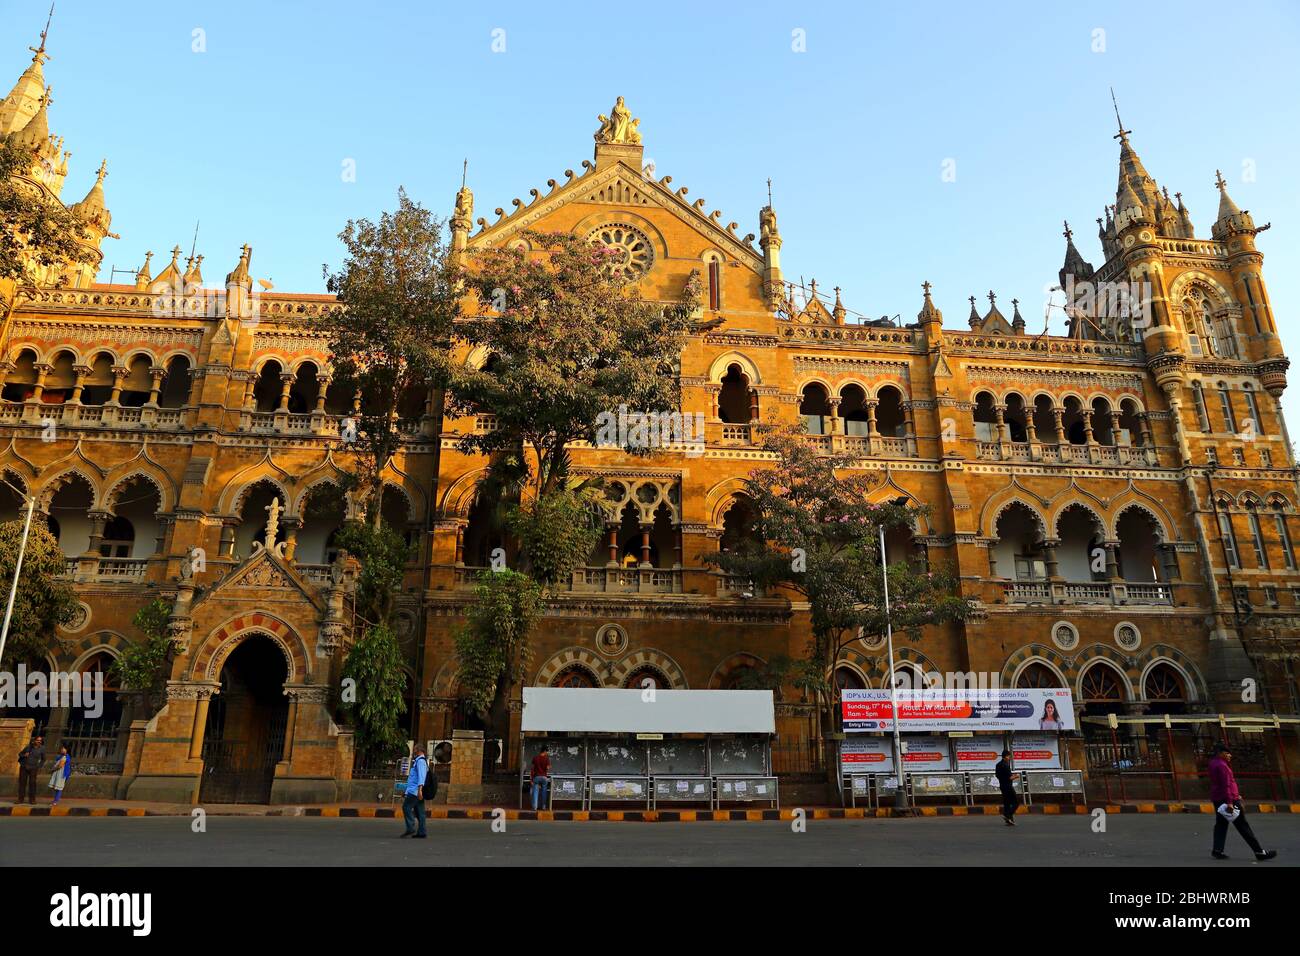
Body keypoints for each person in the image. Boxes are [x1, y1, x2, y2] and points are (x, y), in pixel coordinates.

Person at [1207, 742, 1276, 861]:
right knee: (1243, 826)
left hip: (1218, 798)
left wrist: (1235, 794)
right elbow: (1226, 785)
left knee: (1221, 825)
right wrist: (1230, 801)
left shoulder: (1213, 764)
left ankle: (1217, 850)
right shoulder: (1223, 766)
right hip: (1228, 800)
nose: (1230, 755)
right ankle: (1259, 852)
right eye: (1227, 753)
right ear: (1221, 753)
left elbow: (1221, 783)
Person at [400, 747, 429, 839]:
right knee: (420, 812)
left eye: (415, 750)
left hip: (415, 791)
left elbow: (421, 776)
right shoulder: (418, 761)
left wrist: (420, 790)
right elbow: (413, 779)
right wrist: (406, 792)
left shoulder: (420, 762)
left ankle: (410, 827)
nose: (413, 752)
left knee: (406, 807)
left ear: (420, 751)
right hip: (415, 790)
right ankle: (422, 831)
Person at [16, 735, 45, 805]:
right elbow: (20, 754)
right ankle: (20, 799)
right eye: (38, 740)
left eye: (40, 741)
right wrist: (24, 755)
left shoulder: (42, 748)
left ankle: (32, 800)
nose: (39, 742)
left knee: (32, 783)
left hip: (33, 768)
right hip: (24, 767)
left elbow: (43, 759)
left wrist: (39, 766)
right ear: (34, 740)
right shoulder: (28, 747)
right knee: (22, 783)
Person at [994, 748, 1019, 826]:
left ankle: (1009, 820)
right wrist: (1016, 776)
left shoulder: (998, 765)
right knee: (1016, 802)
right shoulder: (1005, 765)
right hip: (1008, 786)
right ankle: (1008, 815)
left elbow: (997, 775)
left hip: (1002, 786)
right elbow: (1010, 777)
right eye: (1008, 756)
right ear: (1005, 757)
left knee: (1007, 803)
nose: (1009, 758)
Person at [530, 744, 551, 811]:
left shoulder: (535, 758)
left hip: (536, 777)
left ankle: (535, 807)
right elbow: (547, 768)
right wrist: (548, 767)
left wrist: (531, 779)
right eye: (546, 751)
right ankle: (543, 807)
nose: (546, 753)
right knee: (544, 792)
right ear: (544, 751)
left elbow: (532, 769)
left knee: (535, 792)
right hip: (544, 778)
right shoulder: (546, 759)